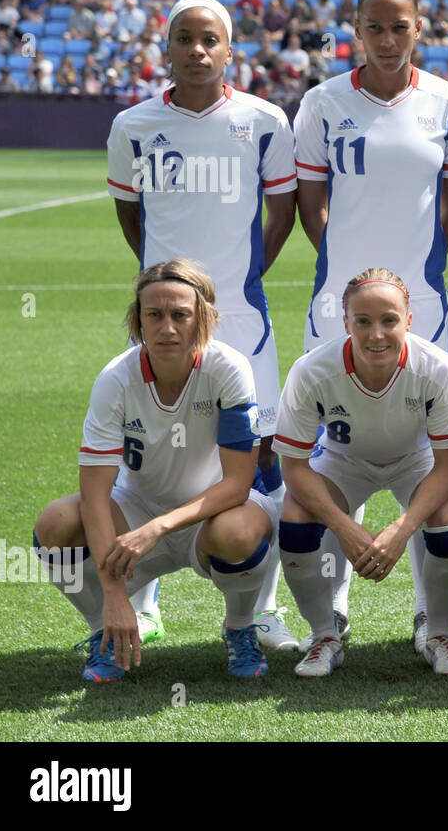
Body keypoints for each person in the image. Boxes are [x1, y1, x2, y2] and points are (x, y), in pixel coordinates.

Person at [106, 0, 298, 651]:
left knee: (262, 460)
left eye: (209, 39)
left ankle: (257, 611)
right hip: (163, 317)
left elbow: (282, 214)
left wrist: (235, 284)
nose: (197, 50)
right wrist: (166, 288)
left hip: (242, 318)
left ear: (229, 50)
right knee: (151, 450)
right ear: (166, 49)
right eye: (184, 38)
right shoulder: (133, 125)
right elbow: (131, 214)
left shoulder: (265, 120)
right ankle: (142, 594)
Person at [293, 0, 448, 653]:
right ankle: (329, 622)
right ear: (358, 31)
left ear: (419, 28)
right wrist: (353, 285)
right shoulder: (319, 104)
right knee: (333, 454)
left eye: (401, 26)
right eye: (376, 26)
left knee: (428, 456)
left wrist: (408, 281)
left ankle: (434, 622)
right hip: (336, 306)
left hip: (421, 307)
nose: (389, 38)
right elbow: (312, 203)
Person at [34, 261, 276, 682]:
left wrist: (160, 528)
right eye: (154, 315)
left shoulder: (229, 369)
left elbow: (237, 484)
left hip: (211, 513)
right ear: (138, 319)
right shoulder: (116, 379)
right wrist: (113, 596)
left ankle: (239, 627)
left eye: (180, 315)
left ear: (202, 318)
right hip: (135, 511)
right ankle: (105, 635)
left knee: (239, 534)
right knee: (56, 525)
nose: (167, 327)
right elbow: (94, 495)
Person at [272, 270, 448, 677]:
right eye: (362, 321)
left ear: (409, 321)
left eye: (389, 321)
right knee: (295, 519)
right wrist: (344, 527)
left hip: (417, 460)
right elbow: (292, 466)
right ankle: (325, 634)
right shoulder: (311, 371)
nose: (376, 334)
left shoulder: (438, 368)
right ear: (345, 323)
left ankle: (439, 633)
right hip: (344, 461)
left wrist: (402, 530)